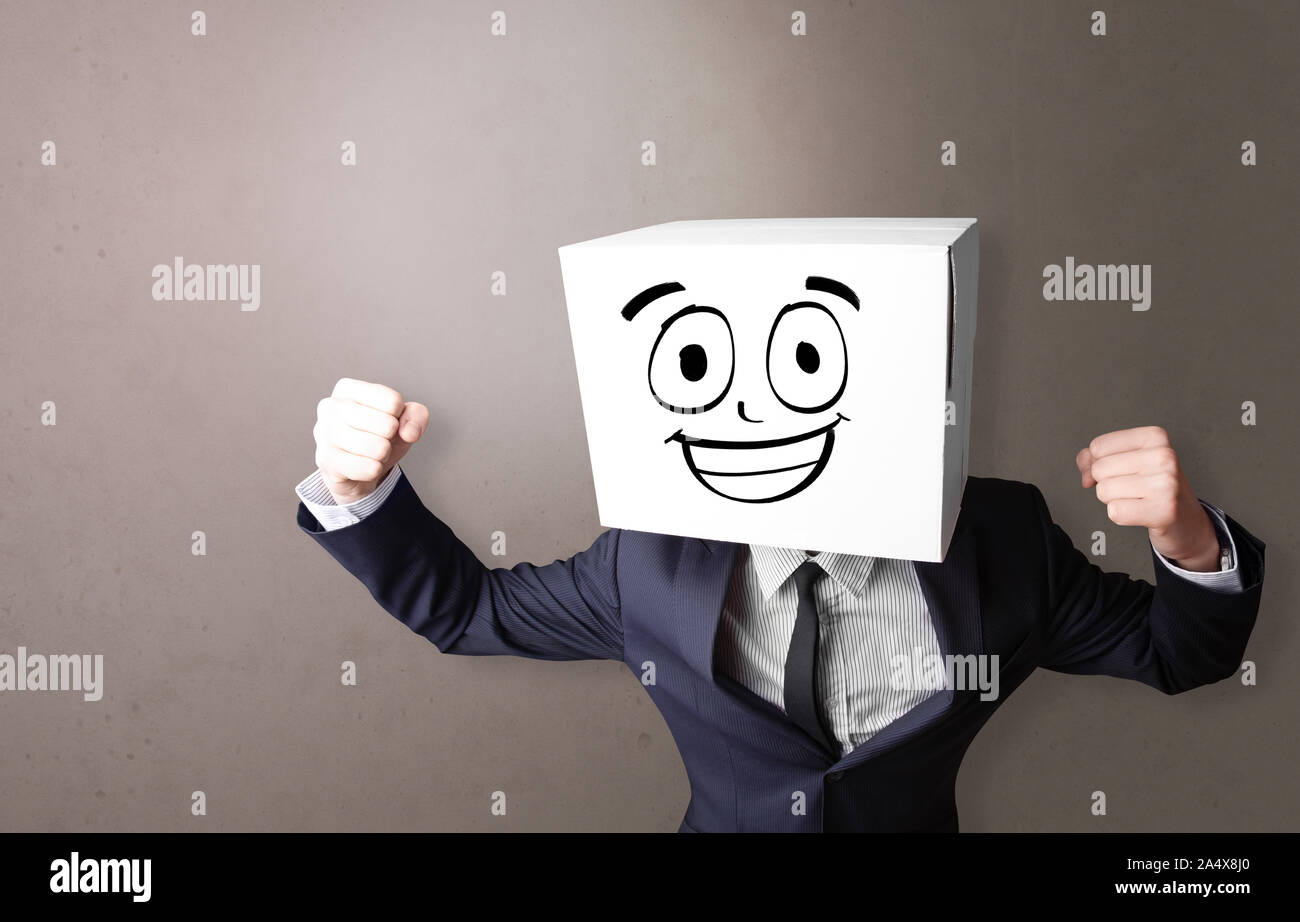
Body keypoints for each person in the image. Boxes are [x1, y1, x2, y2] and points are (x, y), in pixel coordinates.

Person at [295, 376, 1265, 832]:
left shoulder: (1002, 537)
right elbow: (466, 610)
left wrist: (1188, 542)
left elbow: (1178, 654)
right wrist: (362, 494)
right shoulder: (651, 556)